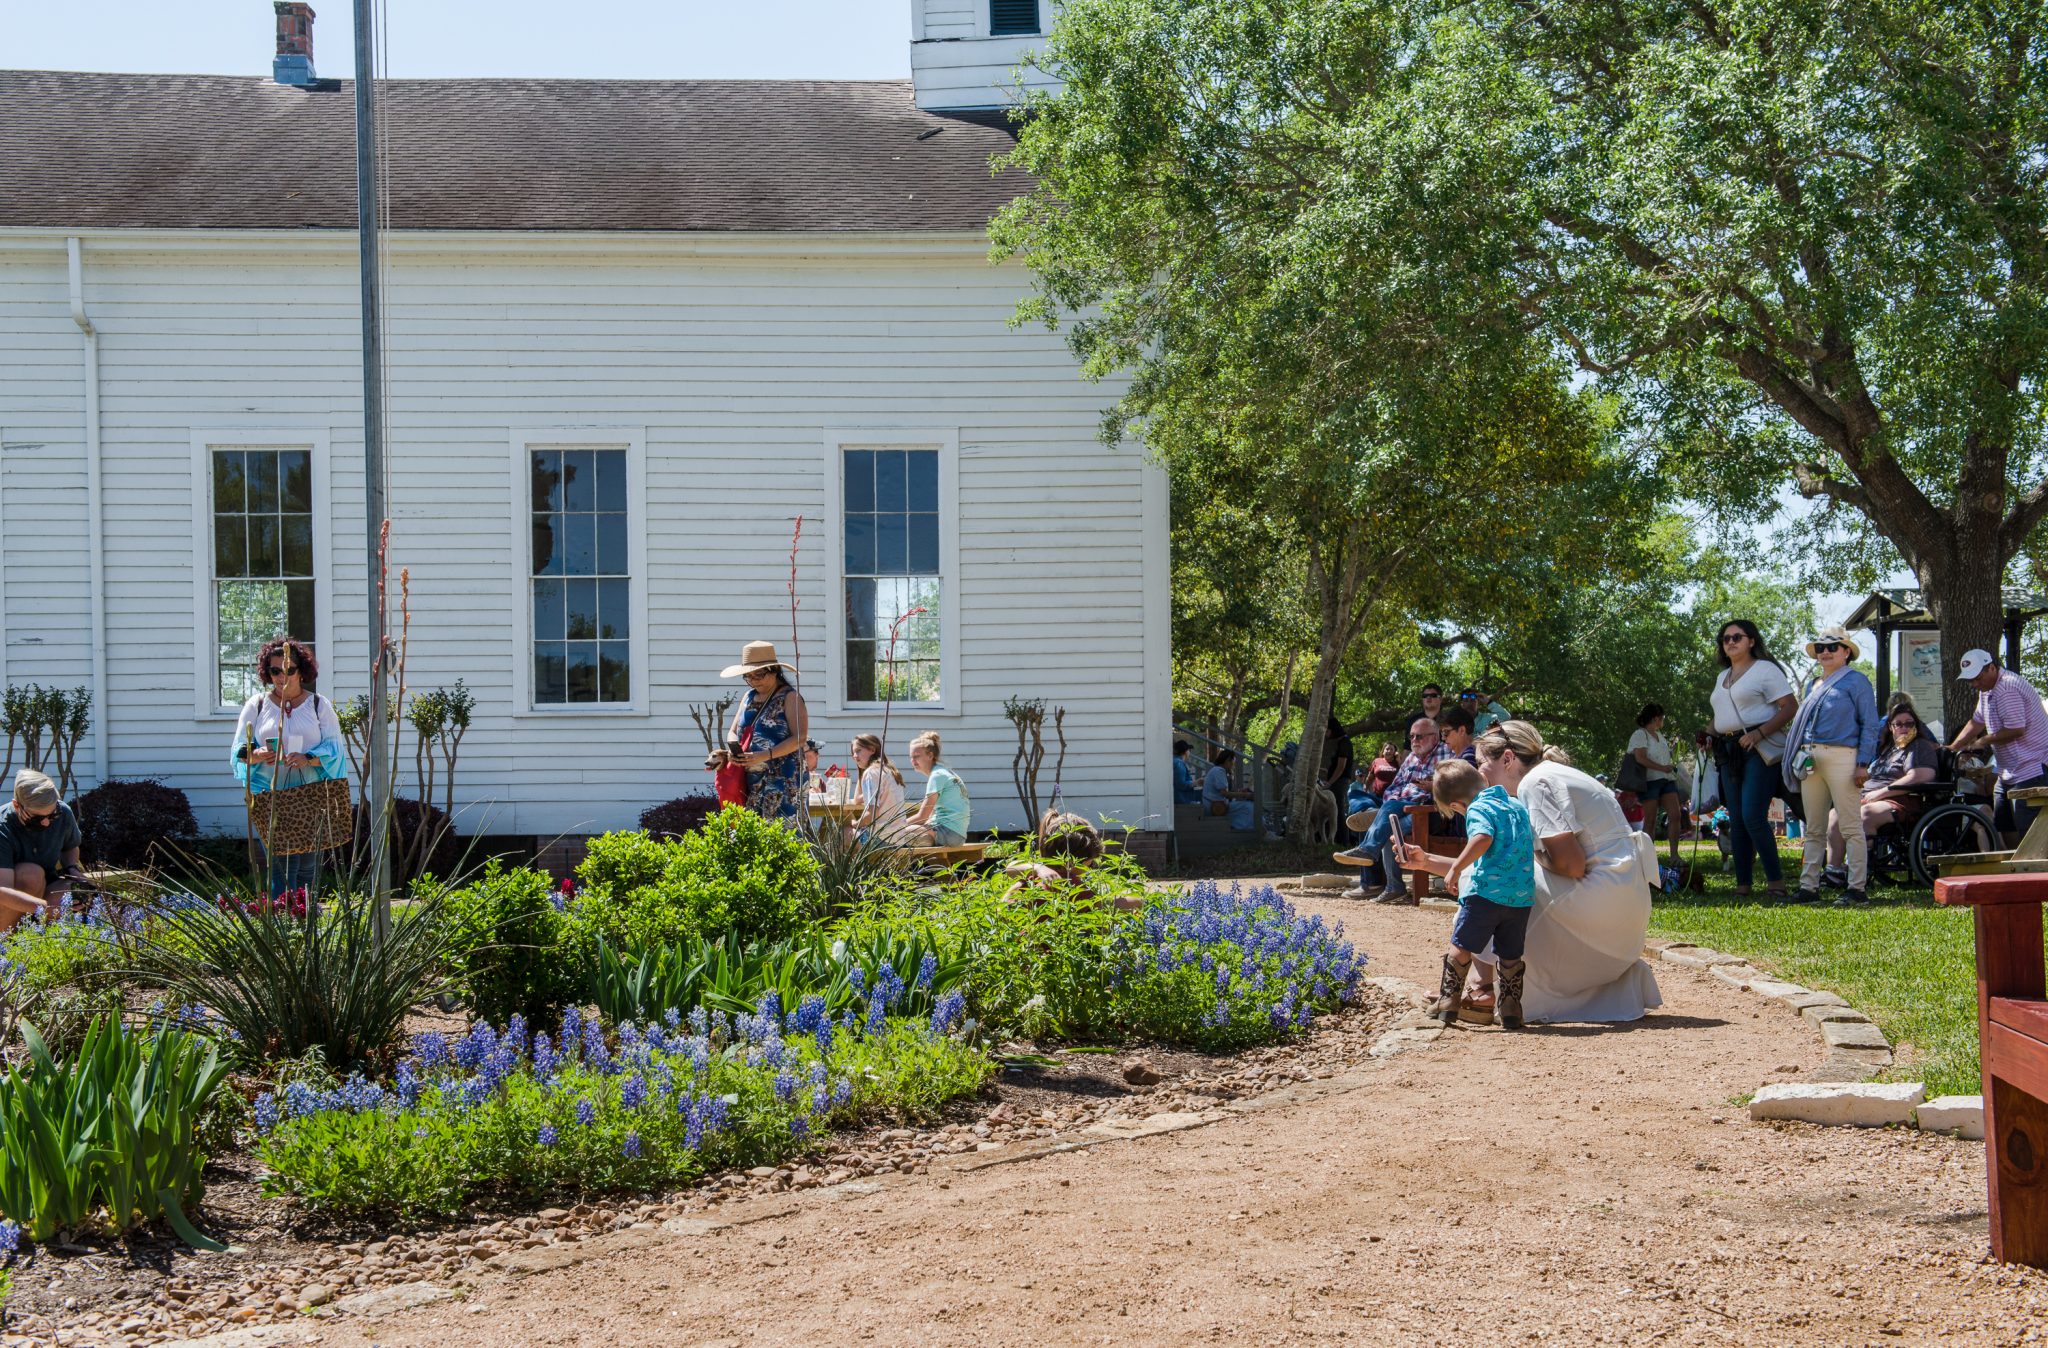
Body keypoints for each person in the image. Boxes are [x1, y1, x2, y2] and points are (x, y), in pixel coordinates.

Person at [1467, 721, 1663, 1023]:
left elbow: (1572, 865)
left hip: (1602, 914)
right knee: (1503, 870)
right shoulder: (1553, 774)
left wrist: (1528, 852)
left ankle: (1481, 989)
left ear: (1507, 759)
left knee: (1487, 871)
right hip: (1625, 924)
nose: (1479, 772)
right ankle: (1489, 984)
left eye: (1482, 763)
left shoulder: (1535, 783)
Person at [1401, 757, 1536, 1029]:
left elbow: (1482, 837)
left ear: (1455, 805)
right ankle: (1510, 1009)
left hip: (1485, 893)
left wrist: (1455, 869)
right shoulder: (1515, 805)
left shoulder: (1478, 808)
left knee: (1461, 947)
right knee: (1510, 954)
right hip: (1521, 897)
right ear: (1483, 781)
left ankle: (1449, 1003)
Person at [231, 637, 346, 898]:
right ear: (267, 672)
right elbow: (239, 751)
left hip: (311, 796)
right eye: (275, 671)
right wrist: (257, 754)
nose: (283, 676)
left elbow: (335, 749)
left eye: (289, 670)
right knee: (281, 867)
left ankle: (307, 920)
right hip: (270, 798)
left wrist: (309, 757)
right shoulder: (257, 705)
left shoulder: (319, 705)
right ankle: (283, 922)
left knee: (307, 867)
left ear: (301, 671)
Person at [1783, 626, 1881, 906]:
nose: (1825, 652)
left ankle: (1857, 888)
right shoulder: (1813, 684)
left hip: (1844, 756)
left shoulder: (1857, 681)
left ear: (1846, 652)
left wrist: (1863, 763)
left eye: (1832, 647)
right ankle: (1808, 887)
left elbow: (1869, 724)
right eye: (1820, 648)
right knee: (1814, 827)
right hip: (1810, 757)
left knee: (1850, 826)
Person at [1708, 620, 1798, 899]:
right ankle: (1743, 885)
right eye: (1725, 638)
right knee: (1737, 819)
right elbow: (1722, 716)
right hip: (1727, 750)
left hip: (1758, 750)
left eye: (1737, 637)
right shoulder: (1721, 676)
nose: (1731, 642)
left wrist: (1759, 733)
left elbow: (1790, 706)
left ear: (1751, 641)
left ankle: (1776, 883)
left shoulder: (1765, 670)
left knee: (1752, 816)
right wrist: (1708, 735)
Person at [1333, 716, 1449, 903]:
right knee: (1361, 800)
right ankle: (1394, 887)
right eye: (1411, 737)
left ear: (1435, 737)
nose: (1414, 741)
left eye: (1419, 737)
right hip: (1401, 805)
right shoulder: (1410, 758)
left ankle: (1368, 850)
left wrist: (1433, 786)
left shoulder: (1445, 753)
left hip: (1427, 809)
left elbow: (1451, 786)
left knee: (1385, 816)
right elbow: (1394, 787)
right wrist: (1393, 799)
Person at [1825, 704, 1940, 886]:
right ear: (1890, 727)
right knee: (1835, 814)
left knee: (1866, 815)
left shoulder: (1919, 747)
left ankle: (1858, 872)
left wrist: (1882, 792)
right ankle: (1834, 872)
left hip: (1903, 800)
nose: (1904, 728)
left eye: (1909, 724)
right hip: (1872, 797)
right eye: (1899, 724)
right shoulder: (1889, 749)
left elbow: (1922, 775)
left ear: (1916, 726)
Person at [1948, 648, 2048, 839]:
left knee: (2029, 834)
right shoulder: (1987, 690)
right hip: (2009, 771)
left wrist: (1983, 741)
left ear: (1992, 668)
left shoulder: (2007, 687)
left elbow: (2016, 729)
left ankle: (2029, 868)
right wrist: (1954, 746)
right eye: (1970, 680)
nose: (1974, 684)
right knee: (2004, 825)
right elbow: (1977, 721)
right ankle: (2013, 867)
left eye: (1977, 678)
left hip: (2032, 767)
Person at [721, 641, 809, 825]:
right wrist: (733, 750)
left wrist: (765, 755)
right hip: (752, 779)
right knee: (752, 835)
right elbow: (732, 731)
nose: (753, 681)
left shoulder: (790, 697)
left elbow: (800, 737)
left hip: (784, 778)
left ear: (774, 670)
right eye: (748, 676)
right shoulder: (748, 696)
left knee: (784, 833)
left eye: (759, 675)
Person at [0, 769, 71, 929]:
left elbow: (70, 847)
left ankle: (43, 944)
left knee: (72, 892)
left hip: (46, 885)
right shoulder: (2, 828)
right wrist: (45, 909)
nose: (46, 823)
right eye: (37, 818)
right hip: (10, 893)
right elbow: (2, 891)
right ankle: (7, 945)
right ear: (16, 806)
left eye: (52, 815)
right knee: (31, 874)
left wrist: (73, 868)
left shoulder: (64, 812)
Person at [1629, 703, 1689, 865]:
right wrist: (1662, 767)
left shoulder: (1659, 735)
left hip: (1667, 780)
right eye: (1662, 718)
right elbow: (1640, 758)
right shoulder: (1640, 734)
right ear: (1656, 718)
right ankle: (1647, 859)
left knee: (1675, 815)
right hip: (1649, 782)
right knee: (1650, 821)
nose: (1663, 721)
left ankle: (1674, 856)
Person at [904, 731, 971, 845]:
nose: (913, 761)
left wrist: (894, 827)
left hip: (947, 833)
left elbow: (922, 816)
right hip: (957, 834)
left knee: (898, 834)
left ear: (930, 755)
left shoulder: (937, 776)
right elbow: (930, 815)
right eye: (911, 757)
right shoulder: (943, 772)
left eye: (917, 756)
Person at [849, 733, 908, 841]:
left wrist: (854, 824)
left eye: (858, 751)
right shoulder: (887, 770)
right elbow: (857, 799)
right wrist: (861, 769)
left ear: (872, 749)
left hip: (880, 839)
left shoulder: (871, 773)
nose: (854, 756)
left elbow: (871, 815)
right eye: (853, 753)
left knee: (845, 832)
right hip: (898, 838)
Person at [1202, 748, 1257, 830]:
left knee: (1244, 805)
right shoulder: (1219, 771)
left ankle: (1249, 828)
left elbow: (1223, 792)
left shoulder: (1216, 770)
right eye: (1232, 762)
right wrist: (1245, 795)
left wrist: (1239, 792)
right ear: (1227, 761)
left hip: (1214, 804)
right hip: (1214, 807)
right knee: (1249, 806)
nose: (1233, 765)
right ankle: (1242, 829)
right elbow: (1225, 793)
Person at [1172, 740, 1204, 806]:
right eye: (1189, 750)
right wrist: (1196, 782)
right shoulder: (1179, 763)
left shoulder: (1176, 761)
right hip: (1181, 801)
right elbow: (1181, 784)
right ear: (1186, 752)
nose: (1189, 753)